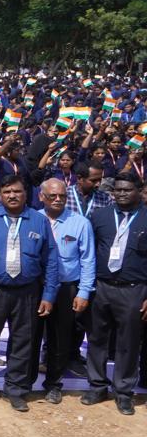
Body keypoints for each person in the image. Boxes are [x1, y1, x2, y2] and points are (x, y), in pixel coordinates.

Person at [0, 174, 58, 411]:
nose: (12, 196)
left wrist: (49, 295)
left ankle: (16, 389)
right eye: (7, 191)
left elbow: (50, 259)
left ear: (26, 194)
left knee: (23, 342)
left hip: (28, 291)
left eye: (17, 191)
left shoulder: (39, 221)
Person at [84, 172, 147, 415]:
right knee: (97, 339)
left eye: (127, 190)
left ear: (139, 191)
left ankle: (123, 392)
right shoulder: (99, 216)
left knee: (128, 343)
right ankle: (97, 386)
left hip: (133, 290)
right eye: (117, 190)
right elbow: (89, 252)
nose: (121, 194)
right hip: (101, 287)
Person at [29, 179, 95, 402]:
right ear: (41, 196)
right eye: (52, 196)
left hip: (66, 288)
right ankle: (25, 381)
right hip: (35, 288)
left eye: (62, 196)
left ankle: (53, 383)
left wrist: (84, 292)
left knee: (60, 339)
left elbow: (88, 260)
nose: (58, 200)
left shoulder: (80, 223)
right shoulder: (32, 219)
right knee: (29, 336)